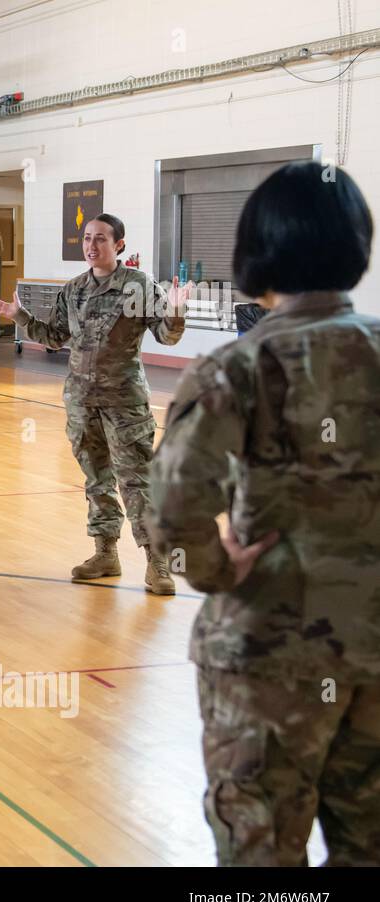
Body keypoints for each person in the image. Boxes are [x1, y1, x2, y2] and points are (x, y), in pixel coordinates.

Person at [147, 161, 379, 866]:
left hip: (270, 657)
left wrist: (219, 569)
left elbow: (173, 518)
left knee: (262, 867)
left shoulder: (238, 368)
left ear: (259, 249)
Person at [0, 213, 192, 594]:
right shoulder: (75, 289)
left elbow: (167, 337)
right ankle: (105, 553)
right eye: (86, 238)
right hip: (81, 402)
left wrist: (177, 310)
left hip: (124, 403)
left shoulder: (137, 287)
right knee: (97, 480)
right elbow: (54, 337)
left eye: (100, 239)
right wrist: (19, 316)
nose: (91, 246)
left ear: (119, 245)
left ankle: (157, 564)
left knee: (138, 483)